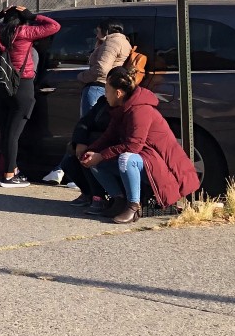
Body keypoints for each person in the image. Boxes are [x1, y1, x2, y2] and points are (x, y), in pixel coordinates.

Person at [81, 67, 200, 224]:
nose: (105, 94)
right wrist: (92, 151)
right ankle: (119, 200)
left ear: (118, 93)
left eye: (107, 90)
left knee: (125, 158)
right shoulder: (121, 108)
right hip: (146, 159)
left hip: (164, 166)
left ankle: (133, 206)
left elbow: (133, 146)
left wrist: (101, 155)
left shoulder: (140, 110)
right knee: (96, 163)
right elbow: (109, 136)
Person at [0, 5, 61, 188]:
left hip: (0, 85)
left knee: (6, 132)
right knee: (14, 133)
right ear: (22, 19)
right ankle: (9, 174)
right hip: (22, 84)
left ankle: (12, 170)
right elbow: (54, 26)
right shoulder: (25, 32)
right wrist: (32, 15)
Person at [78, 20, 132, 116]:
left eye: (98, 31)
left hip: (98, 86)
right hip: (109, 86)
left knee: (88, 122)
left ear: (106, 31)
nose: (96, 35)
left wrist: (82, 76)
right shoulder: (124, 42)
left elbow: (102, 68)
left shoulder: (111, 43)